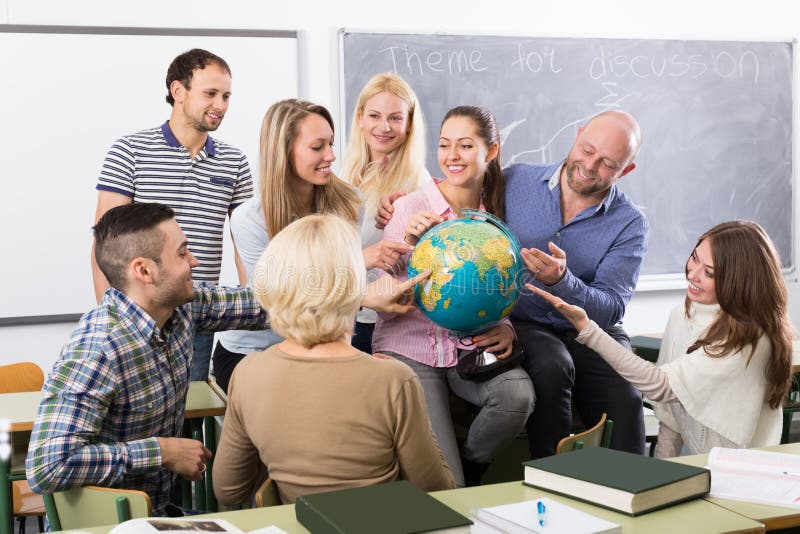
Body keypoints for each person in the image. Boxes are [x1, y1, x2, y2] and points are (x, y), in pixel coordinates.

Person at [26, 203, 430, 516]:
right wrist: (162, 451)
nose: (195, 262)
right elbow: (46, 466)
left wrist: (355, 296)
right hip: (108, 524)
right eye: (183, 254)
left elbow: (267, 304)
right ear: (144, 270)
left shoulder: (183, 307)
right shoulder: (97, 347)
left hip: (161, 513)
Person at [377, 110, 648, 458]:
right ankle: (550, 477)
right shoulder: (515, 182)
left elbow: (611, 309)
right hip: (525, 322)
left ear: (626, 170)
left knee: (626, 393)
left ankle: (635, 488)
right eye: (586, 149)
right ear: (577, 134)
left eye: (608, 163)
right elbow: (460, 185)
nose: (590, 165)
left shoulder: (629, 223)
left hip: (587, 327)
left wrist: (563, 282)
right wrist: (397, 203)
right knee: (553, 365)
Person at [212, 214, 455, 505]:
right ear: (354, 285)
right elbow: (437, 490)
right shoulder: (394, 379)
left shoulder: (248, 373)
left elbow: (228, 490)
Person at [530, 220, 793, 457]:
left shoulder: (747, 340)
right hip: (704, 460)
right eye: (694, 258)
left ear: (740, 280)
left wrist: (587, 328)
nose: (693, 273)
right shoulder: (683, 313)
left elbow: (660, 385)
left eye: (709, 273)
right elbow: (670, 411)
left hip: (745, 468)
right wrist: (663, 470)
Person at [372, 106, 534, 487]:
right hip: (409, 346)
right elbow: (383, 287)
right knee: (449, 487)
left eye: (465, 145)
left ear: (490, 151)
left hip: (466, 346)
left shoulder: (492, 215)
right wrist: (409, 244)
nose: (452, 156)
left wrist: (507, 327)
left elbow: (499, 283)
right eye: (445, 145)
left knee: (517, 398)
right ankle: (459, 481)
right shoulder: (409, 207)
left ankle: (470, 465)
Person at [211, 98, 409, 393]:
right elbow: (273, 303)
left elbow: (336, 304)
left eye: (331, 144)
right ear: (283, 152)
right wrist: (358, 267)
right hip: (253, 352)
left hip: (321, 346)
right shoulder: (249, 218)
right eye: (318, 147)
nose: (330, 155)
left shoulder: (349, 202)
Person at [91, 48, 254, 382]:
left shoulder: (235, 161)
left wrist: (250, 307)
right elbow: (104, 244)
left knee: (189, 410)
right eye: (210, 94)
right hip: (138, 316)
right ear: (178, 91)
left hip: (199, 313)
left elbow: (245, 245)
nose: (220, 105)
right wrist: (112, 322)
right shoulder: (130, 151)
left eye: (226, 96)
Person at [340, 73, 431, 354]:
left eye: (395, 118)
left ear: (409, 125)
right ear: (360, 117)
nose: (384, 127)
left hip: (381, 321)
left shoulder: (418, 182)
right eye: (375, 116)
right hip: (342, 312)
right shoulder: (344, 174)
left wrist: (402, 221)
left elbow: (426, 251)